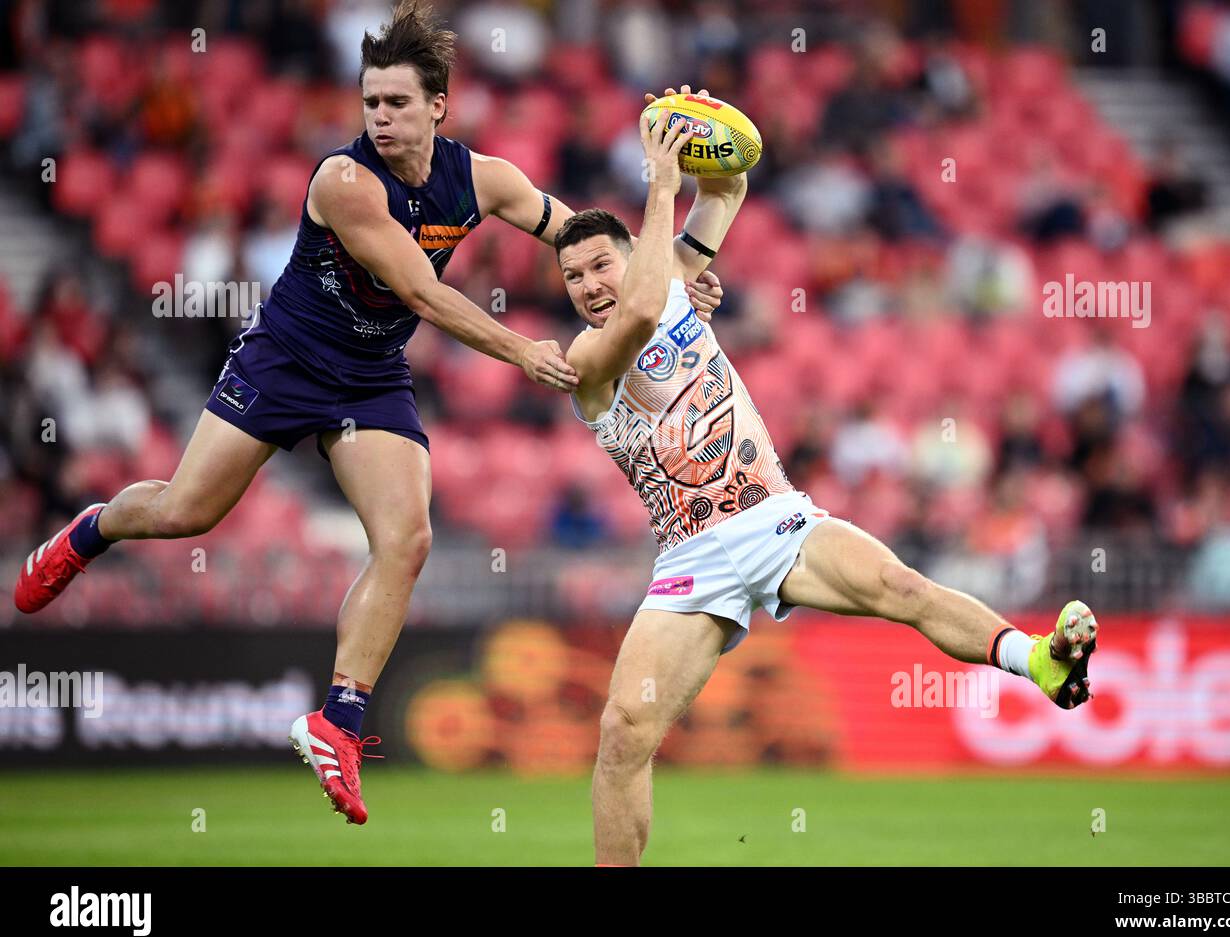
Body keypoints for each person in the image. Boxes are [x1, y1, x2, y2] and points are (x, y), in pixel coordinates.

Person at [11, 3, 724, 827]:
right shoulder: (342, 183)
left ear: (438, 108)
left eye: (396, 103)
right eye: (370, 103)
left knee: (408, 539)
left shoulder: (485, 178)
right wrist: (522, 349)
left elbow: (588, 238)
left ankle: (339, 721)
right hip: (283, 363)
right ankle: (91, 529)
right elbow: (421, 290)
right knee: (185, 511)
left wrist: (669, 280)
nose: (379, 117)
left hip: (370, 374)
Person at [557, 86, 1099, 866]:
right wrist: (661, 185)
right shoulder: (582, 361)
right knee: (622, 733)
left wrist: (708, 131)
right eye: (573, 277)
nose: (588, 285)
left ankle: (1039, 661)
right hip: (689, 561)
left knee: (902, 589)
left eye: (599, 264)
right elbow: (641, 310)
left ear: (628, 255)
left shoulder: (670, 278)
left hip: (774, 522)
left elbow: (732, 186)